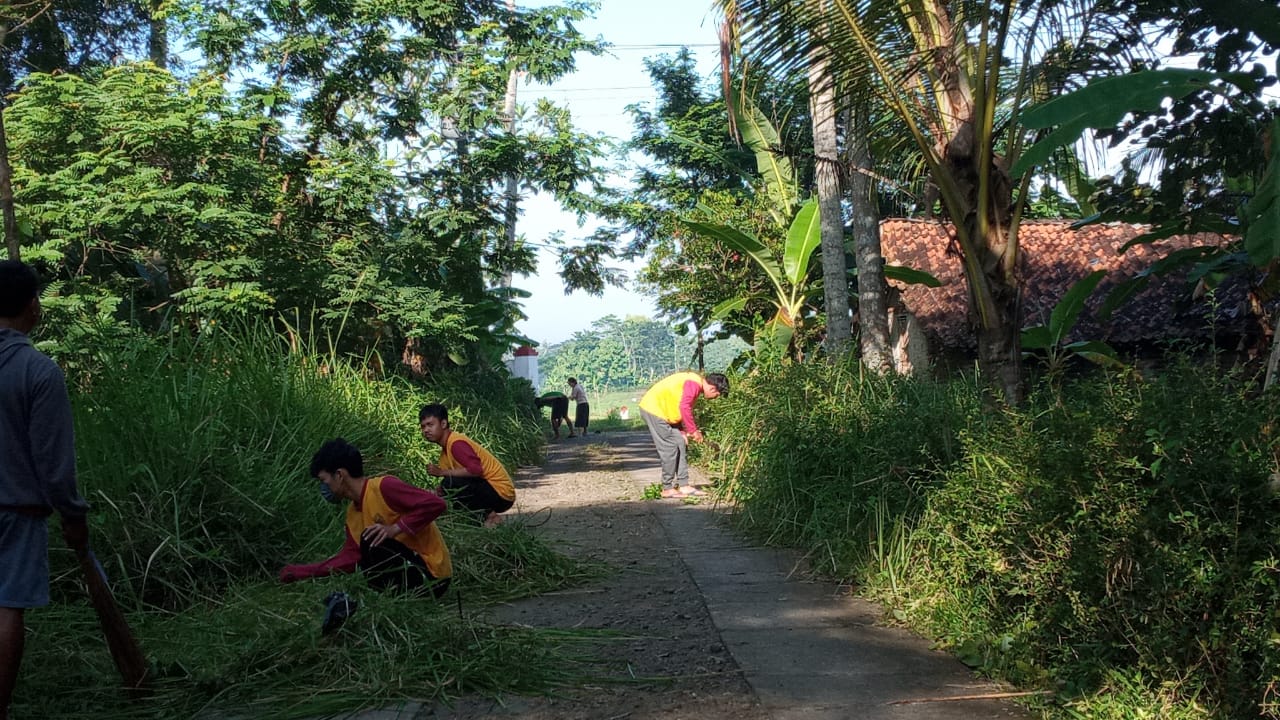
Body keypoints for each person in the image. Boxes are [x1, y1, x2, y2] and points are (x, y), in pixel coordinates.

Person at [0, 260, 90, 720]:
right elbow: (54, 465)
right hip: (16, 511)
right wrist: (73, 515)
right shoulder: (37, 371)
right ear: (32, 307)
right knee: (8, 607)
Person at [279, 439, 452, 601]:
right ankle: (388, 600)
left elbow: (435, 504)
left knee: (371, 540)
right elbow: (350, 559)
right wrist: (301, 572)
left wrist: (394, 529)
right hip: (407, 579)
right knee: (368, 546)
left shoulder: (384, 487)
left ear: (339, 475)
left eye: (324, 480)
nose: (324, 488)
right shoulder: (353, 513)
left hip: (432, 577)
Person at [419, 404, 515, 527]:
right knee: (449, 489)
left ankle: (492, 517)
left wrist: (441, 473)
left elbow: (475, 470)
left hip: (501, 494)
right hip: (489, 491)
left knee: (450, 482)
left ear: (443, 424)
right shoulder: (445, 452)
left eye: (430, 425)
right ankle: (480, 520)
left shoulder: (456, 444)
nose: (426, 430)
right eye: (423, 426)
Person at [638, 371, 729, 499]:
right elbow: (684, 407)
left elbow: (675, 404)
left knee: (681, 442)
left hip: (663, 413)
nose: (716, 397)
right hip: (654, 410)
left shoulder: (694, 383)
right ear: (713, 388)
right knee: (669, 447)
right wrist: (693, 431)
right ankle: (667, 487)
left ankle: (684, 485)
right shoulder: (694, 384)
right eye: (718, 395)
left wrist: (682, 431)